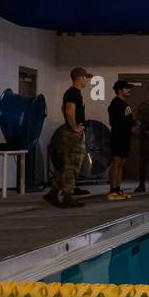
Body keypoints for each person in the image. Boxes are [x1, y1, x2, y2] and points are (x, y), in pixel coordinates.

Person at [46, 67, 89, 208]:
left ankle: (53, 192)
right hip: (73, 135)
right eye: (85, 77)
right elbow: (69, 111)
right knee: (72, 165)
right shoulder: (74, 93)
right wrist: (74, 127)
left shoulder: (71, 93)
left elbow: (62, 108)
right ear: (80, 77)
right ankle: (67, 197)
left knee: (65, 165)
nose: (86, 80)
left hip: (70, 132)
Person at [106, 80, 135, 200]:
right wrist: (130, 128)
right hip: (118, 137)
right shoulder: (116, 104)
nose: (129, 90)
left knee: (121, 164)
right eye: (126, 88)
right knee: (116, 163)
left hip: (124, 137)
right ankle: (113, 190)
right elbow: (115, 122)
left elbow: (128, 120)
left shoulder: (124, 104)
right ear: (119, 90)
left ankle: (117, 189)